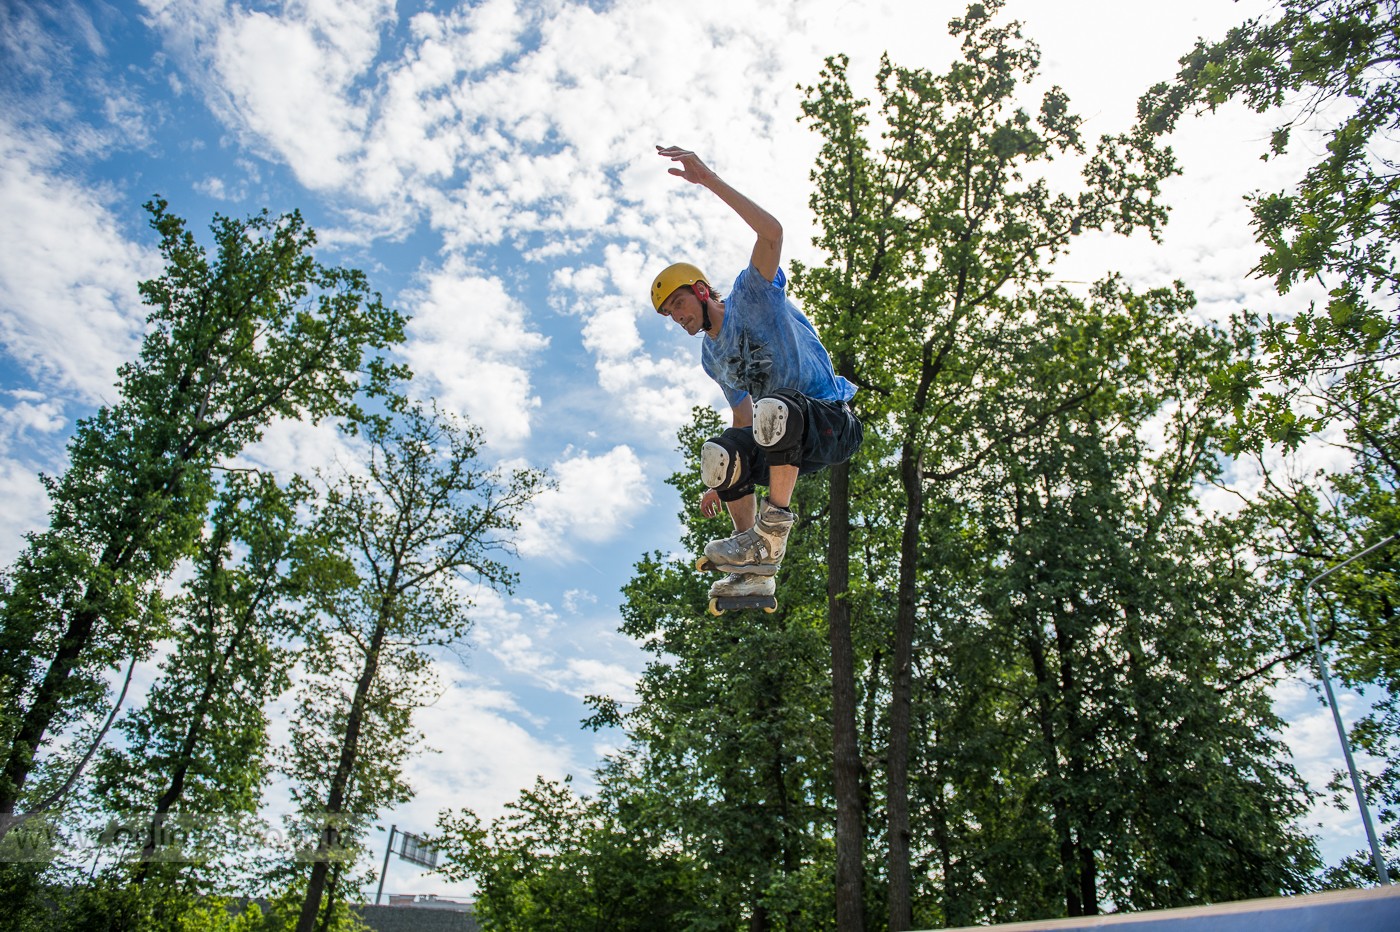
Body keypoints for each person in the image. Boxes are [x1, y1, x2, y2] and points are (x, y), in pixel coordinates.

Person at [650, 145, 863, 604]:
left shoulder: (753, 294)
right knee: (720, 452)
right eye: (670, 315)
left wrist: (708, 179)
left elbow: (772, 232)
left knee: (776, 407)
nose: (678, 317)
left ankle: (772, 534)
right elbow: (743, 420)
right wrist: (721, 482)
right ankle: (756, 567)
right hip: (783, 437)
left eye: (680, 305)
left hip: (831, 422)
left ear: (702, 291)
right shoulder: (712, 357)